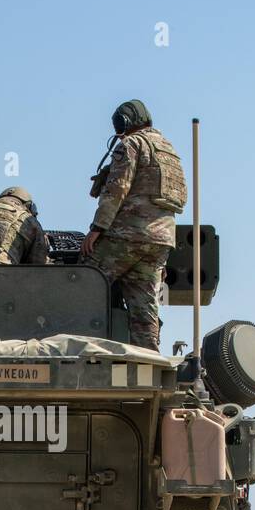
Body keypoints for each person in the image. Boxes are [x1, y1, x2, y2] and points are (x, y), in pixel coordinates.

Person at [81, 100, 187, 350]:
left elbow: (116, 190)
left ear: (124, 124)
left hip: (127, 234)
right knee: (145, 304)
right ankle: (149, 360)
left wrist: (96, 230)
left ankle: (77, 350)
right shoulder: (168, 149)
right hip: (161, 240)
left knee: (83, 281)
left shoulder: (131, 144)